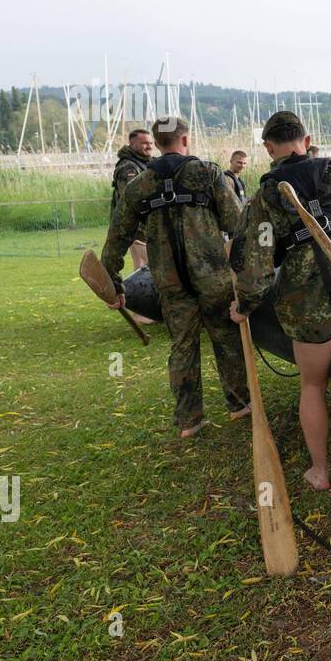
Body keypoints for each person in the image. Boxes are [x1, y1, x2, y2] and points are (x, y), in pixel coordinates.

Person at [231, 111, 331, 494]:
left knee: (312, 386)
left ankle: (320, 472)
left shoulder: (267, 196)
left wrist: (245, 304)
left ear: (270, 148)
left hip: (306, 298)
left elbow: (254, 260)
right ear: (306, 141)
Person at [101, 117, 250, 438]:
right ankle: (239, 406)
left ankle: (188, 421)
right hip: (212, 276)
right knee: (226, 339)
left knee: (182, 346)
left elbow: (117, 235)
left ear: (156, 141)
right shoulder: (208, 174)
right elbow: (237, 223)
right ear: (185, 139)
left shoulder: (140, 184)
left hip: (169, 281)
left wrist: (112, 281)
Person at [110, 128, 154, 275]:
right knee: (153, 263)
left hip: (143, 224)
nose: (149, 146)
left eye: (150, 143)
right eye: (144, 143)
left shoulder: (147, 163)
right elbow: (131, 198)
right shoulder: (128, 167)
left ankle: (140, 294)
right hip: (135, 224)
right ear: (132, 144)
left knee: (140, 266)